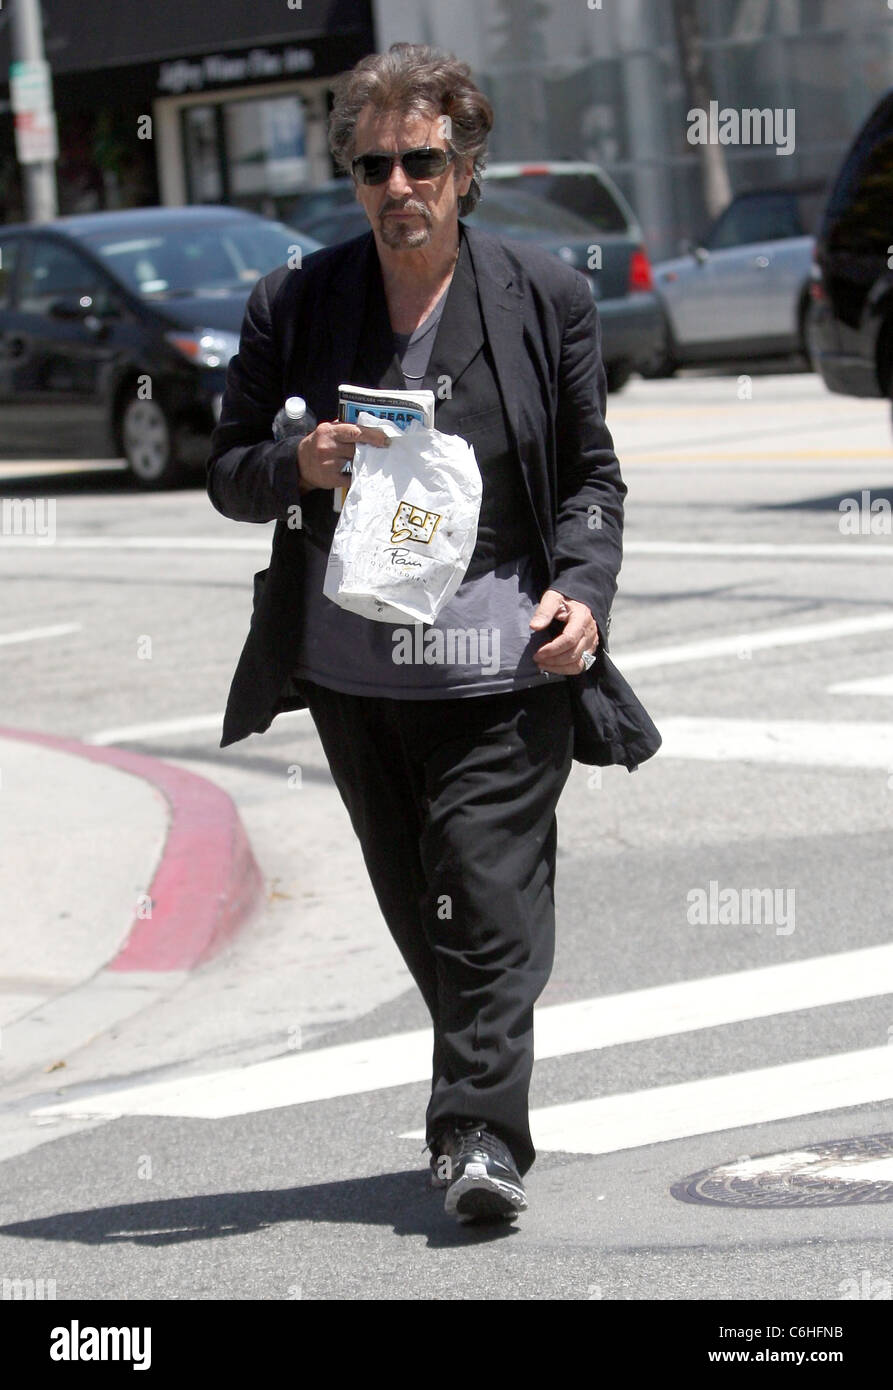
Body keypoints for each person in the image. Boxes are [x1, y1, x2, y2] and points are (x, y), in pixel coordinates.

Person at [207, 42, 660, 1224]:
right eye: (372, 166)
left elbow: (590, 482)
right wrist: (294, 465)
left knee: (485, 899)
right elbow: (225, 471)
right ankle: (476, 1094)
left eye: (419, 161)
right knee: (430, 916)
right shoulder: (296, 303)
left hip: (503, 671)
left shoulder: (543, 298)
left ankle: (473, 1138)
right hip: (357, 680)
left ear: (465, 166)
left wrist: (584, 589)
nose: (395, 187)